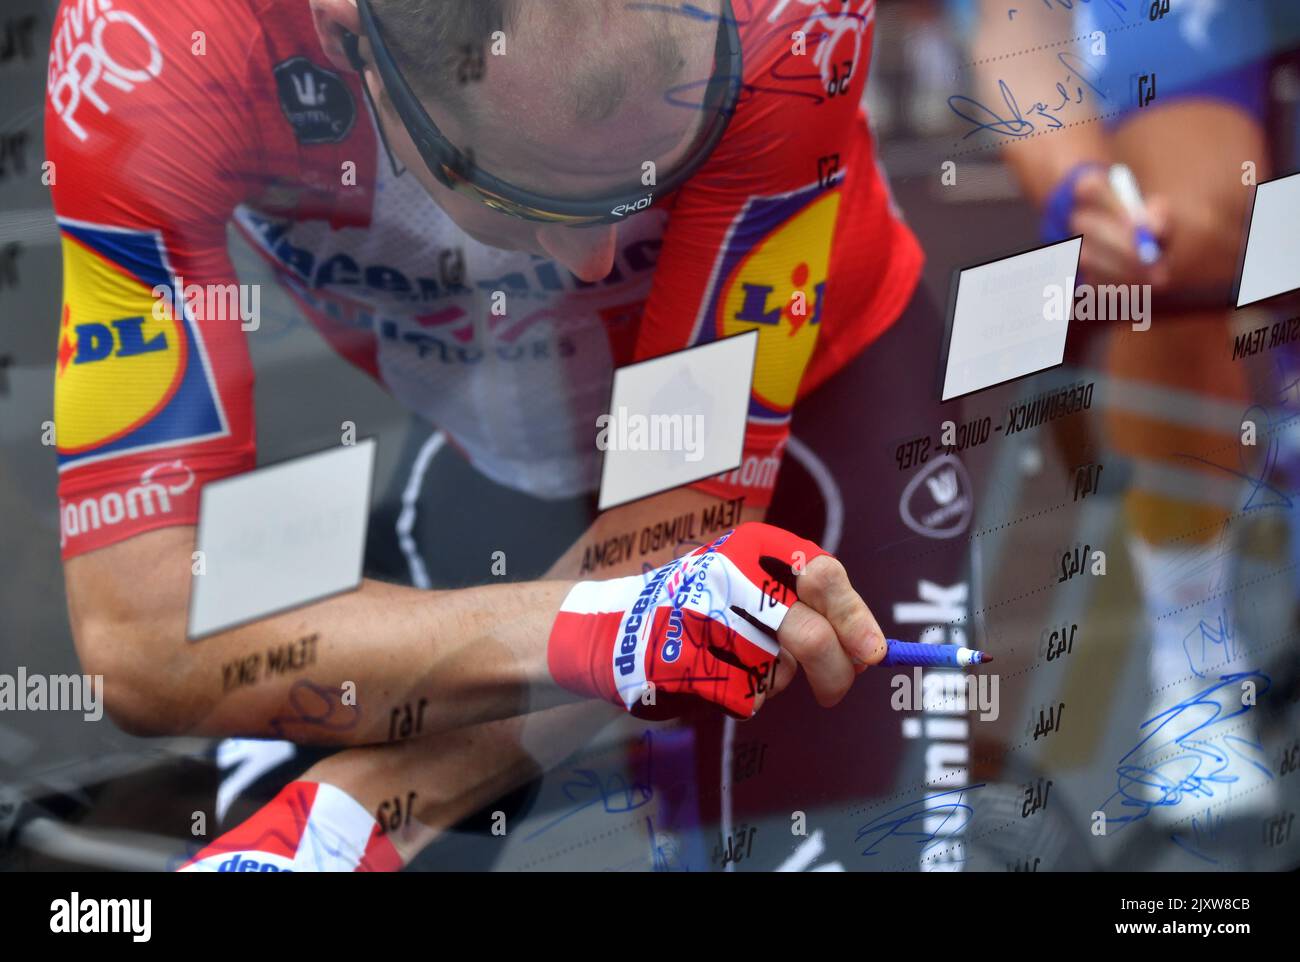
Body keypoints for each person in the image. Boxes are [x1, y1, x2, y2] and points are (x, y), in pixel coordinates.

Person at [48, 0, 928, 868]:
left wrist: (374, 806)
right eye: (523, 194)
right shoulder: (148, 49)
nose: (596, 255)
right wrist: (603, 634)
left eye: (654, 178)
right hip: (489, 442)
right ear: (346, 35)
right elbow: (144, 638)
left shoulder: (791, 21)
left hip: (823, 403)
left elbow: (683, 516)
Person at [967, 0, 1299, 831]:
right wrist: (1082, 191)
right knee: (1168, 241)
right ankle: (1192, 668)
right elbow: (1017, 25)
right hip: (1186, 40)